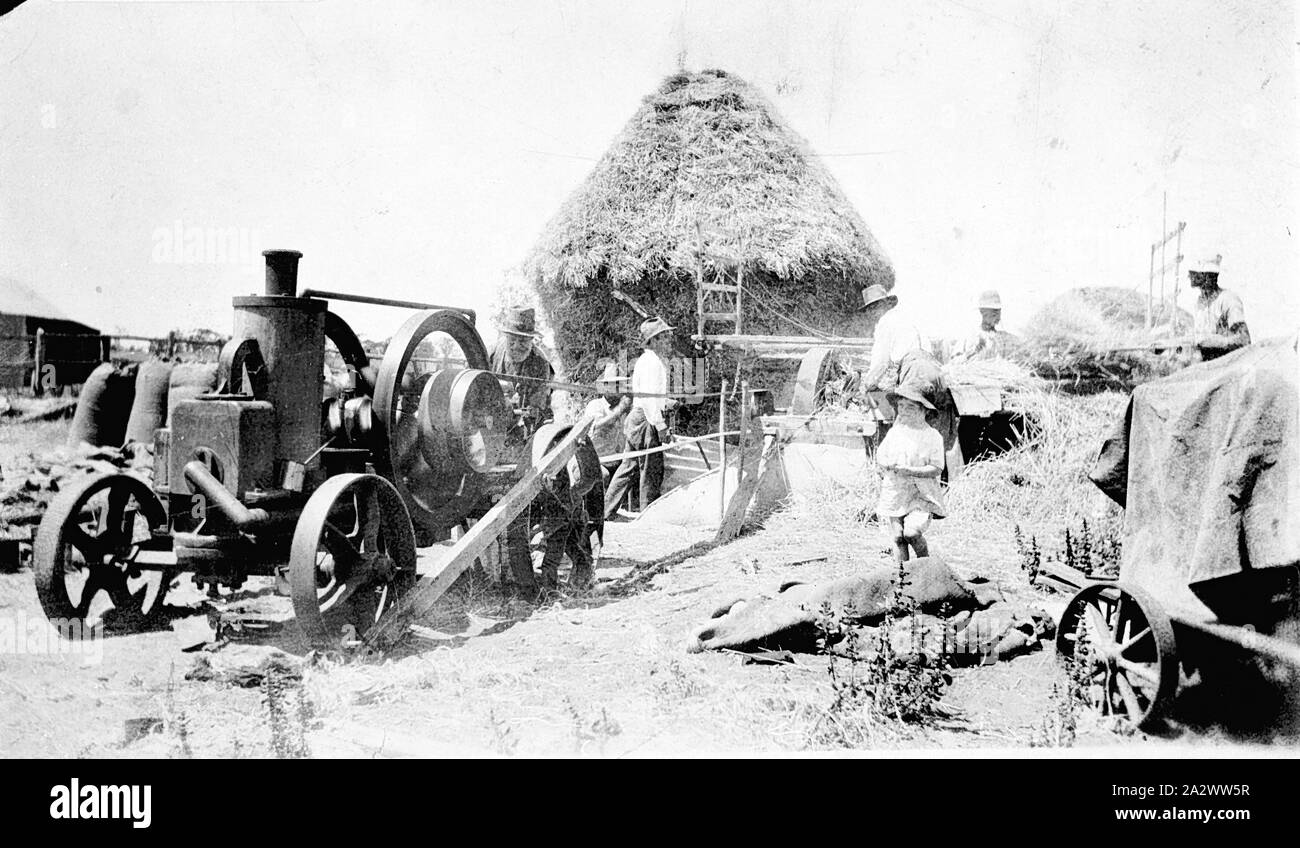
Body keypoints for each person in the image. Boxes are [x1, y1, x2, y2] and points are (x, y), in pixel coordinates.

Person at [604, 317, 678, 519]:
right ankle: (649, 514)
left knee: (629, 467)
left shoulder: (648, 361)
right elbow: (648, 399)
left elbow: (649, 395)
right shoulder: (653, 363)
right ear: (653, 341)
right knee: (651, 469)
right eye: (664, 337)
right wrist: (661, 425)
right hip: (645, 419)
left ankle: (605, 511)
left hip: (638, 417)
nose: (668, 341)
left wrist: (665, 403)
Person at [874, 383, 947, 565]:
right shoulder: (895, 432)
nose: (904, 411)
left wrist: (910, 471)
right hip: (896, 491)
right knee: (898, 537)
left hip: (921, 493)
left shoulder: (932, 436)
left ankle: (926, 567)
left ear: (924, 411)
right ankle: (903, 579)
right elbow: (881, 456)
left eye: (911, 407)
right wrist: (886, 464)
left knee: (911, 533)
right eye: (901, 406)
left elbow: (937, 468)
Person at [489, 306, 555, 429]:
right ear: (506, 337)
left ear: (531, 339)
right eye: (512, 340)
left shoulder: (540, 363)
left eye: (523, 340)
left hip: (529, 423)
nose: (516, 346)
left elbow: (536, 405)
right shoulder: (493, 353)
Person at [1188, 254, 1251, 361]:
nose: (1189, 276)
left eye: (1194, 273)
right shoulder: (1200, 303)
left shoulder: (1228, 299)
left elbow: (1244, 340)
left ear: (1208, 276)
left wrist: (1215, 341)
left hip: (1228, 364)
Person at [584, 362, 632, 483]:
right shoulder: (595, 405)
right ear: (605, 387)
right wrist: (619, 410)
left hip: (619, 461)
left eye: (620, 385)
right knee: (603, 476)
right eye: (614, 385)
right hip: (597, 462)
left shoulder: (625, 406)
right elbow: (598, 426)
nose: (618, 388)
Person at [953, 290, 1016, 362]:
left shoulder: (1002, 339)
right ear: (983, 313)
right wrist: (973, 351)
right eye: (994, 314)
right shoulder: (970, 336)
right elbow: (954, 362)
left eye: (999, 313)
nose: (998, 318)